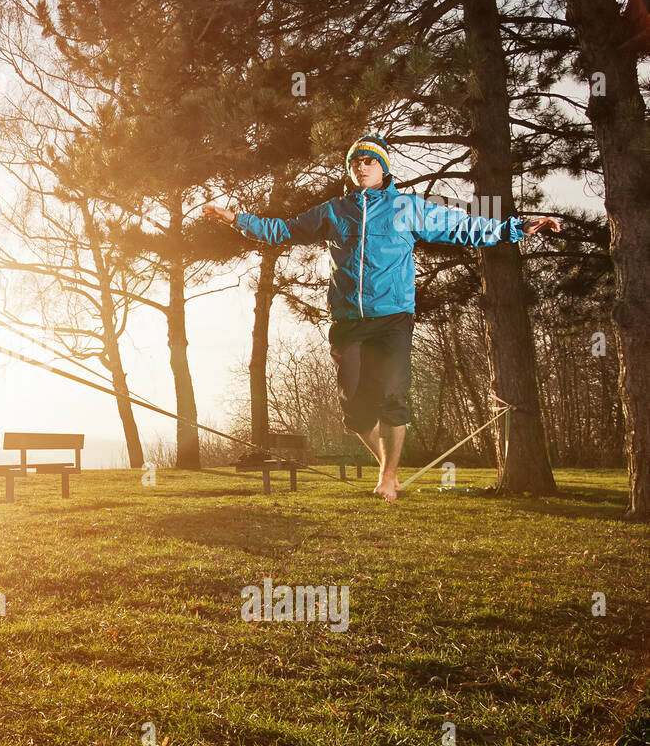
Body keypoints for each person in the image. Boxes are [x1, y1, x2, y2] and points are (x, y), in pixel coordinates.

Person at [202, 134, 560, 503]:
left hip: (393, 316)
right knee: (355, 410)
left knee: (392, 395)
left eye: (369, 161)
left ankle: (388, 477)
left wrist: (517, 228)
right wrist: (236, 218)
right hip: (347, 320)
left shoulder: (406, 208)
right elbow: (283, 231)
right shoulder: (333, 211)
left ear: (384, 168)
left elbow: (462, 227)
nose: (361, 166)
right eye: (355, 161)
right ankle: (386, 465)